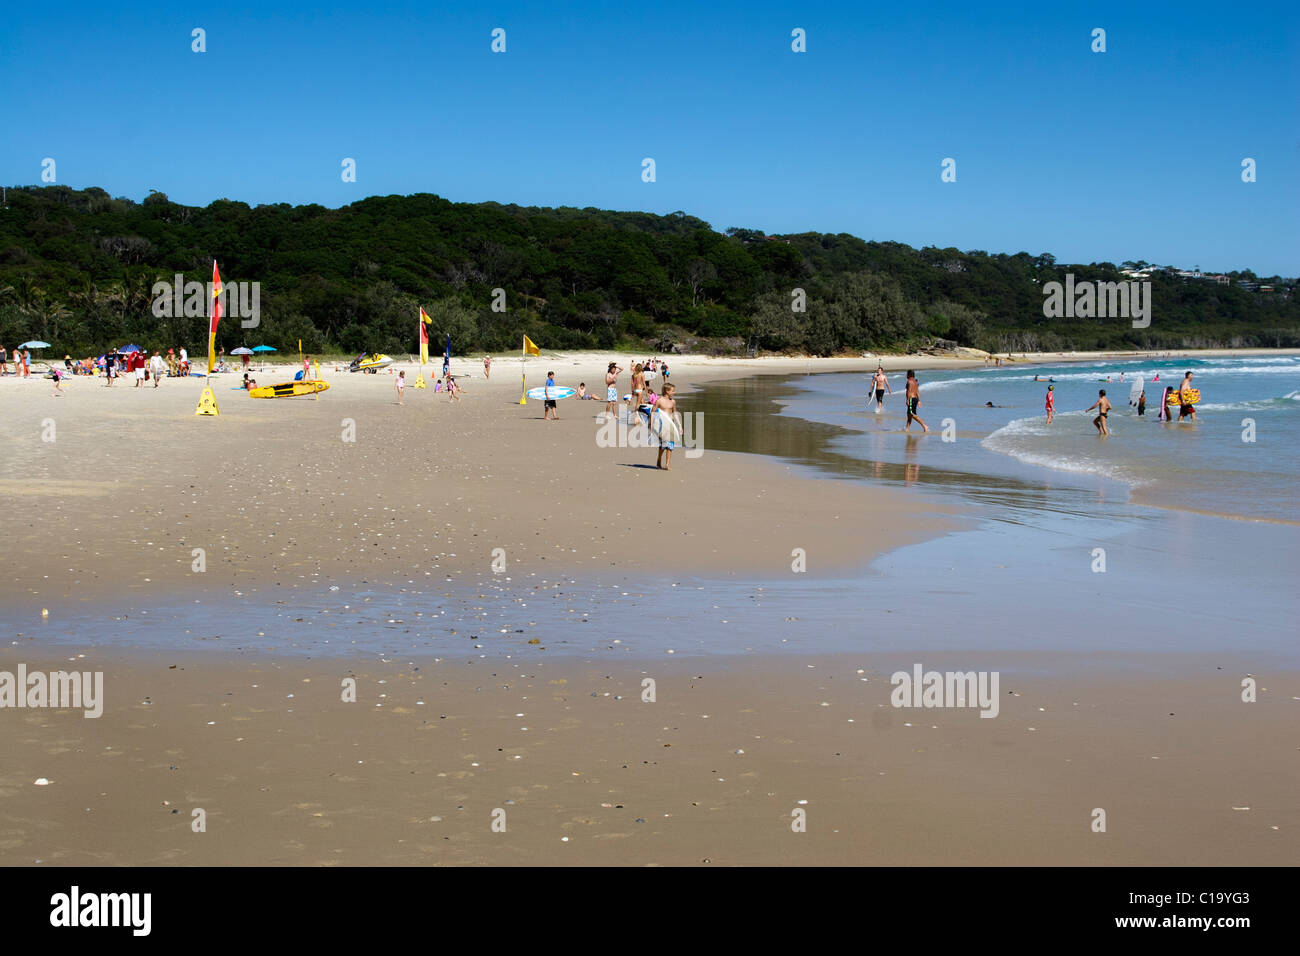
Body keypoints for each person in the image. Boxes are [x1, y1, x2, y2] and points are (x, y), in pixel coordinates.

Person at [653, 383, 683, 470]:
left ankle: (667, 465)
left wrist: (680, 425)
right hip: (661, 426)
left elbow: (675, 414)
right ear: (667, 391)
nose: (674, 392)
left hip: (671, 426)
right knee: (663, 445)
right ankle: (659, 459)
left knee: (670, 446)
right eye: (672, 391)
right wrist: (652, 424)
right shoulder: (659, 400)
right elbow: (653, 412)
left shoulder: (673, 401)